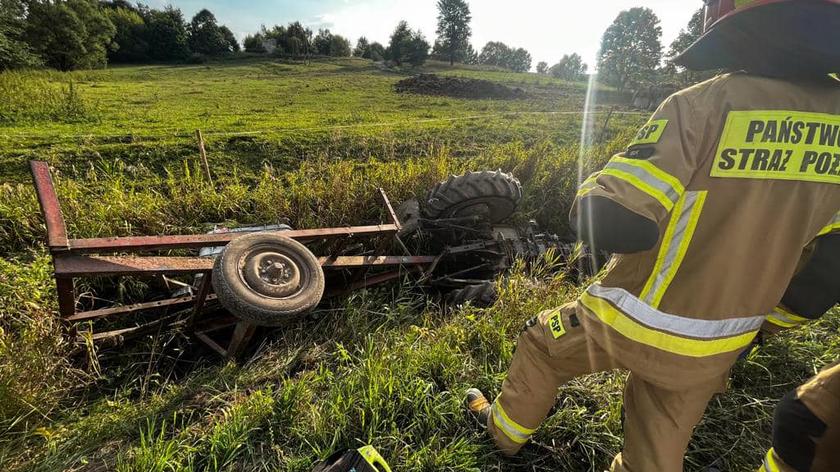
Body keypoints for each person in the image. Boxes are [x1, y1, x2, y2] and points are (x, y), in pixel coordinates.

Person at [464, 1, 840, 471]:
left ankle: (501, 434)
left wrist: (591, 191)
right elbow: (827, 271)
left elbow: (621, 219)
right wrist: (768, 325)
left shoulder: (703, 103)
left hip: (638, 314)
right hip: (724, 338)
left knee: (540, 345)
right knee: (661, 431)